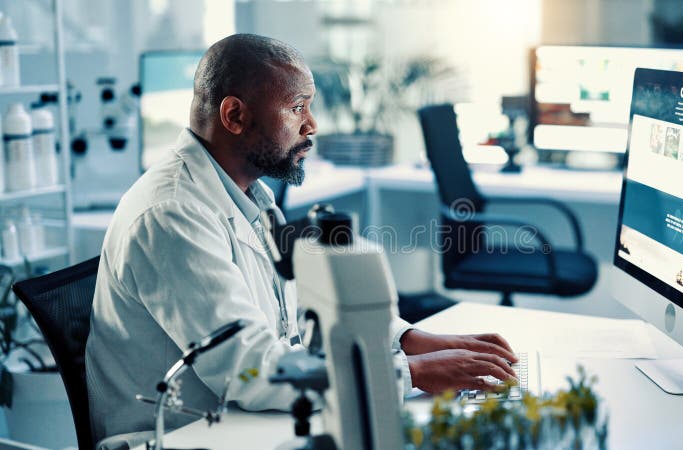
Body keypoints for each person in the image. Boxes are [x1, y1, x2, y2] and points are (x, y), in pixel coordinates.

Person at [85, 34, 517, 448]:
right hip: (183, 438)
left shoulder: (249, 194)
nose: (311, 125)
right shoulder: (172, 214)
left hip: (244, 424)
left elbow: (300, 319)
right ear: (234, 116)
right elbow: (249, 372)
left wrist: (407, 341)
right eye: (297, 107)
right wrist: (411, 373)